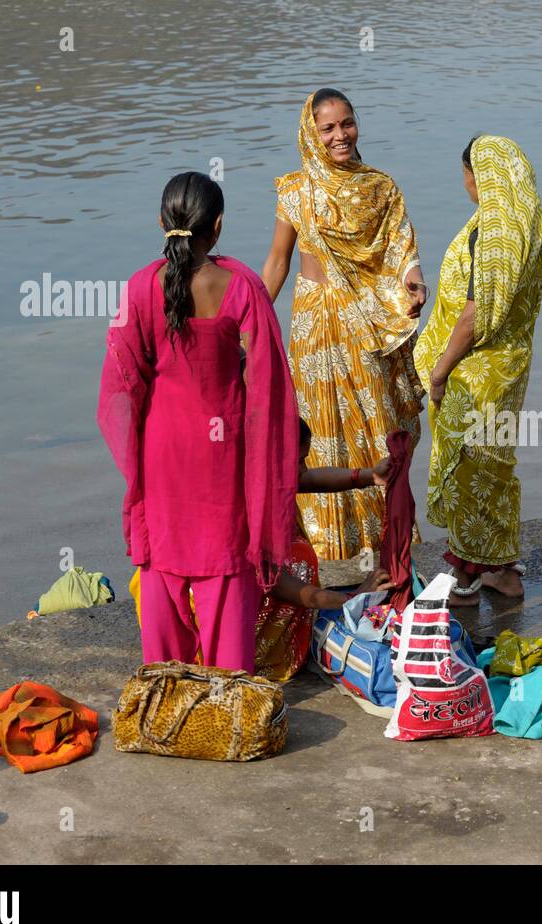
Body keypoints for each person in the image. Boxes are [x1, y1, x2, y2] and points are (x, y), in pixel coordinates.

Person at [98, 171, 299, 674]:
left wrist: (136, 461)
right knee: (227, 568)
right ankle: (229, 694)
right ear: (219, 225)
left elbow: (121, 388)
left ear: (162, 222)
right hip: (222, 451)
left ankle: (166, 694)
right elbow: (267, 389)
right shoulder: (243, 286)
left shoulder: (142, 286)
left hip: (163, 450)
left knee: (164, 565)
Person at [263, 87, 428, 562]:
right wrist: (243, 321)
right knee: (317, 435)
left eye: (347, 123)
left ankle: (386, 548)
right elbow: (277, 264)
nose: (340, 136)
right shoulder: (296, 191)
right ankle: (327, 551)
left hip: (366, 327)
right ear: (311, 134)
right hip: (315, 327)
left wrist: (414, 282)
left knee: (376, 428)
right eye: (328, 128)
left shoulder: (381, 187)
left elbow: (402, 255)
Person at [126, 418, 394, 681]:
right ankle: (249, 652)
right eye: (297, 461)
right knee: (298, 556)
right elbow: (282, 585)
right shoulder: (240, 508)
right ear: (269, 459)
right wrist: (354, 599)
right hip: (202, 623)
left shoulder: (255, 471)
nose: (302, 469)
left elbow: (309, 479)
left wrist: (369, 476)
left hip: (218, 589)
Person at [413, 135, 542, 606]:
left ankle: (466, 579)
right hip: (509, 366)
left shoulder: (490, 232)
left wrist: (440, 371)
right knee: (493, 467)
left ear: (480, 176)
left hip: (476, 371)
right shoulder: (528, 221)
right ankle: (502, 572)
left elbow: (475, 314)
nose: (466, 184)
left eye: (467, 174)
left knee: (469, 468)